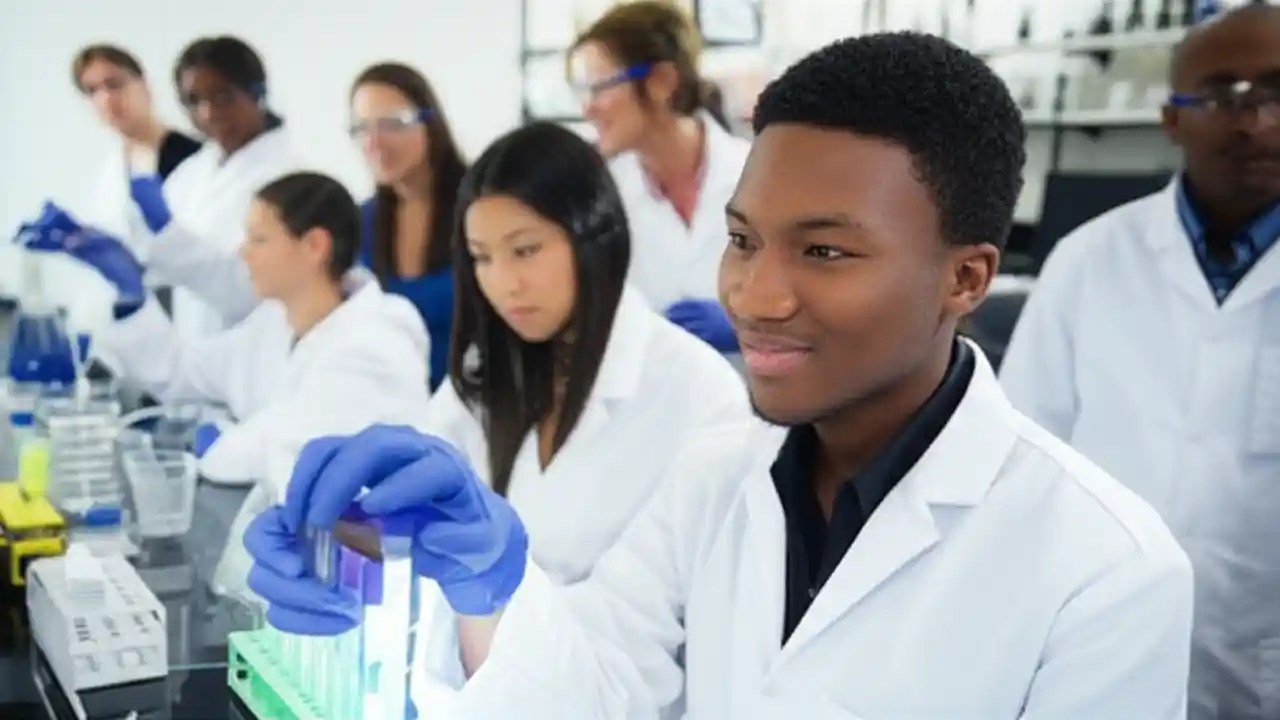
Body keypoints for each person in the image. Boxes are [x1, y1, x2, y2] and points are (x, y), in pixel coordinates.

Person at [244, 34, 1194, 719]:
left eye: (824, 251)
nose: (755, 295)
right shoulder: (717, 476)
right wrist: (493, 581)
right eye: (742, 240)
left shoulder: (1108, 571)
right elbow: (596, 690)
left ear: (966, 277)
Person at [999, 6, 1280, 719]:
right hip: (1098, 634)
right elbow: (1020, 456)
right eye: (1220, 96)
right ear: (1172, 118)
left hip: (1261, 653)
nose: (1251, 122)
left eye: (1277, 93)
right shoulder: (1089, 260)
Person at [21, 171, 430, 490]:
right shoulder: (274, 321)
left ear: (315, 246)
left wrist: (219, 443)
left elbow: (288, 448)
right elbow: (184, 374)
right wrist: (131, 295)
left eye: (259, 239)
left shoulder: (375, 339)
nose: (243, 252)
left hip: (369, 561)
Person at [571, 1, 749, 354]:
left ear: (662, 81)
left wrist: (747, 326)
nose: (587, 108)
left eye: (600, 87)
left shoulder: (755, 174)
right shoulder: (599, 198)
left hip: (754, 399)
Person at [128, 35, 305, 340]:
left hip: (254, 357)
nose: (208, 114)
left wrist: (167, 237)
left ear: (257, 92)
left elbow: (248, 289)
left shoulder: (291, 178)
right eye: (193, 101)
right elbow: (160, 270)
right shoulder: (190, 173)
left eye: (223, 97)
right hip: (194, 357)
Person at [349, 62, 467, 390]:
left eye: (392, 123)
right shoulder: (361, 223)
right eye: (361, 128)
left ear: (432, 123)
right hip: (388, 407)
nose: (374, 142)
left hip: (474, 408)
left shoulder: (480, 210)